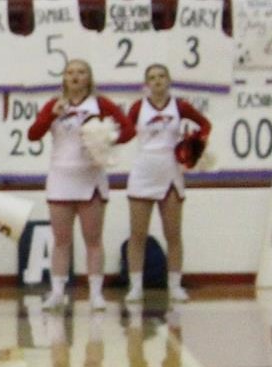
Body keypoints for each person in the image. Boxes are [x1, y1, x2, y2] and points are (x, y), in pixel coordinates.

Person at [26, 59, 133, 311]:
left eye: (81, 72)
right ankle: (57, 292)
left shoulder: (101, 104)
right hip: (61, 178)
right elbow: (33, 134)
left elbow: (128, 130)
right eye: (70, 72)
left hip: (90, 178)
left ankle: (96, 293)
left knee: (93, 239)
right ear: (63, 78)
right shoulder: (54, 105)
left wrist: (105, 139)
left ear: (89, 77)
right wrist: (50, 116)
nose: (75, 76)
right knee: (61, 240)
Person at [124, 63, 209, 304]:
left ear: (169, 80)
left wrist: (195, 144)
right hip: (143, 172)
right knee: (137, 234)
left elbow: (205, 125)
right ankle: (135, 286)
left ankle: (175, 286)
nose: (157, 81)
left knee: (173, 234)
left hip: (170, 172)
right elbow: (124, 133)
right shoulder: (137, 108)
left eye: (162, 76)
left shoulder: (180, 106)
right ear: (146, 84)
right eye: (152, 77)